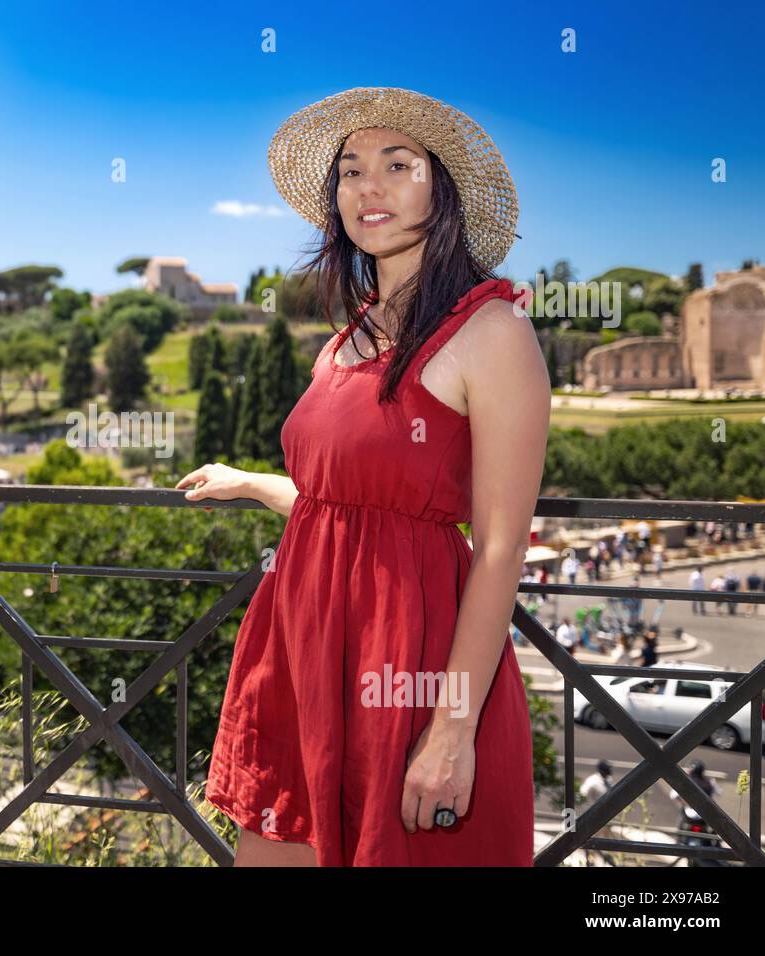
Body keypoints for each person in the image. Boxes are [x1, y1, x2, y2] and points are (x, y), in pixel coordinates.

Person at [182, 87, 543, 868]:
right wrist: (252, 481)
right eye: (350, 170)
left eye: (396, 165)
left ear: (441, 189)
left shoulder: (494, 330)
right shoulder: (347, 335)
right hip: (302, 656)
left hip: (409, 665)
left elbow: (502, 546)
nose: (366, 187)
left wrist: (452, 727)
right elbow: (341, 506)